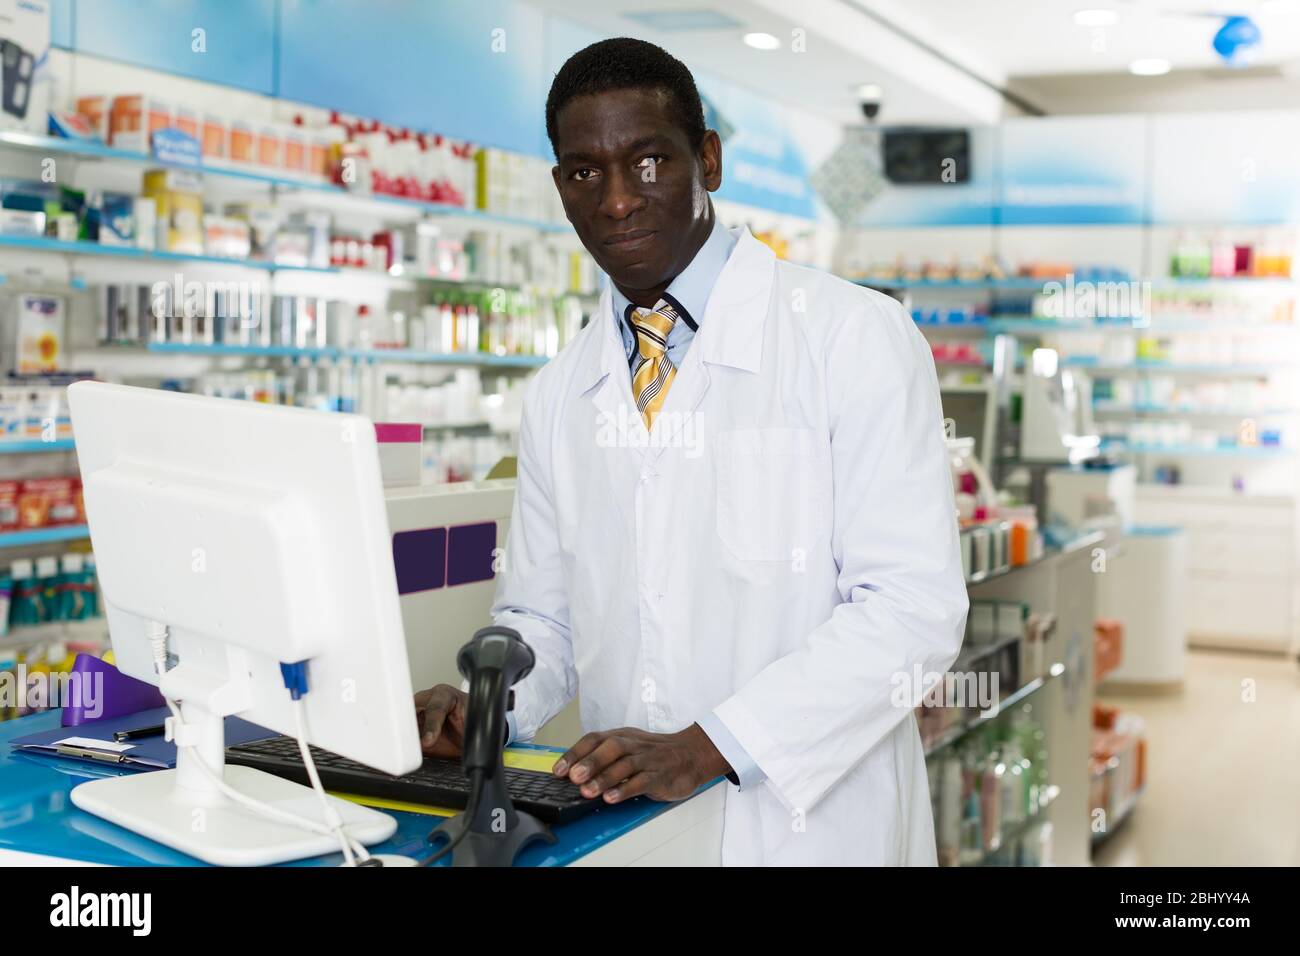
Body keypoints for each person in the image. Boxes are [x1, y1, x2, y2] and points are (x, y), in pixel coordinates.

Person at [413, 37, 968, 866]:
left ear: (707, 158)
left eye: (646, 162)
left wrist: (709, 744)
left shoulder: (850, 337)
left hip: (808, 834)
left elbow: (912, 611)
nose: (616, 202)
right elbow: (542, 615)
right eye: (582, 172)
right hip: (633, 835)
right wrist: (489, 708)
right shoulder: (564, 391)